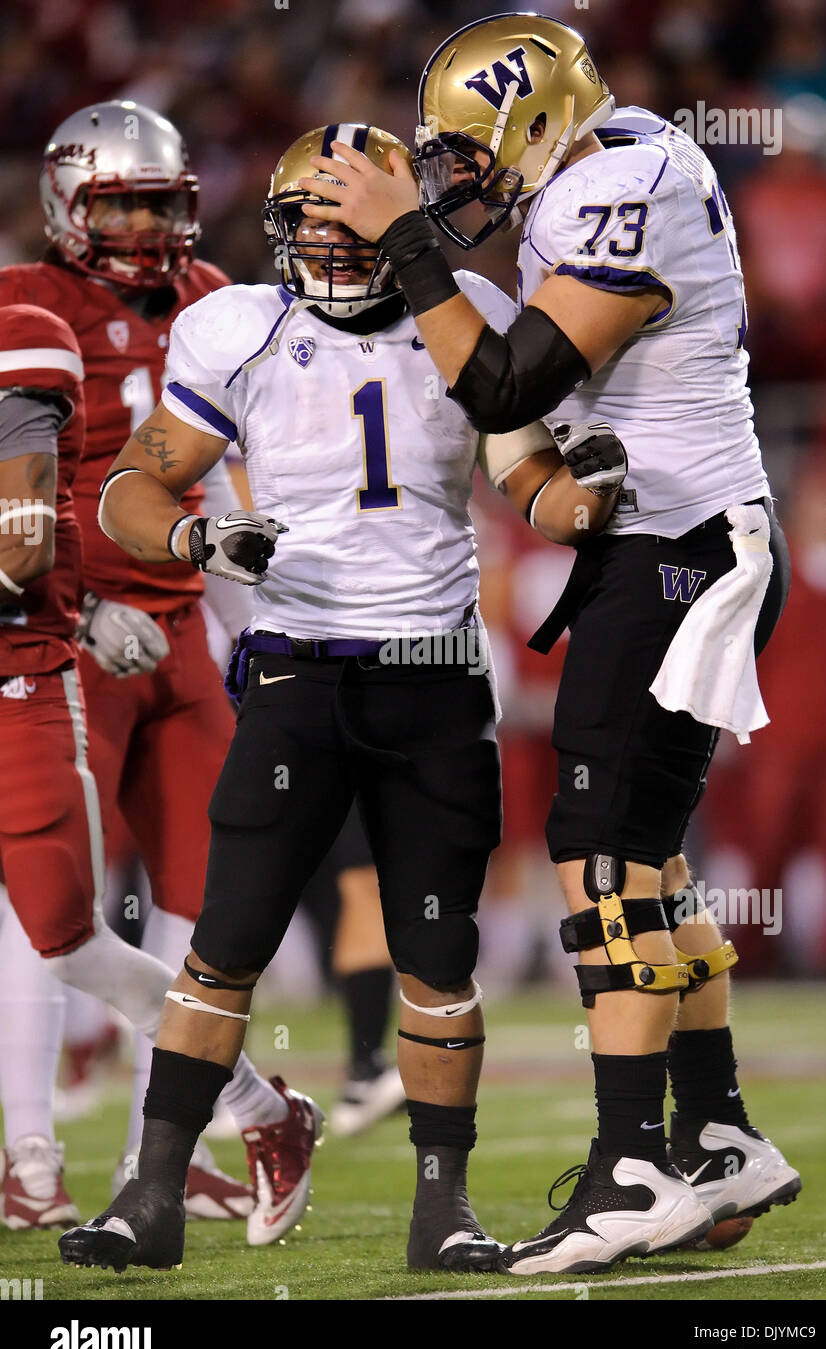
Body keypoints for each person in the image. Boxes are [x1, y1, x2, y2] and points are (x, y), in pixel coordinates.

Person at [58, 121, 622, 1274]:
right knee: (225, 946)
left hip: (432, 682)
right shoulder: (236, 327)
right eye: (309, 216)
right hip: (296, 672)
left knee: (435, 955)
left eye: (348, 213)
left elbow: (525, 475)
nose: (329, 236)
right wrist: (194, 535)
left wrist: (588, 503)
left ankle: (441, 1208)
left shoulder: (454, 305)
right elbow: (128, 485)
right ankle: (150, 1198)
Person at [298, 14, 803, 1273]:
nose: (455, 176)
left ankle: (631, 1160)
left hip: (677, 550)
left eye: (466, 151)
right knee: (641, 851)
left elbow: (504, 389)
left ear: (532, 124)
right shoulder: (619, 160)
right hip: (683, 539)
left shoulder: (614, 183)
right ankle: (716, 1133)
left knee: (595, 852)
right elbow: (531, 424)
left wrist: (408, 245)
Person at [0, 103, 321, 1246]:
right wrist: (77, 605)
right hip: (62, 629)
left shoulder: (211, 300)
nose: (143, 223)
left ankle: (160, 1152)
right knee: (51, 902)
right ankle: (28, 1150)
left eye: (159, 200)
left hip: (183, 628)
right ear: (68, 203)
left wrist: (254, 625)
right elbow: (25, 498)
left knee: (204, 905)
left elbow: (231, 481)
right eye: (120, 201)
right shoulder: (31, 306)